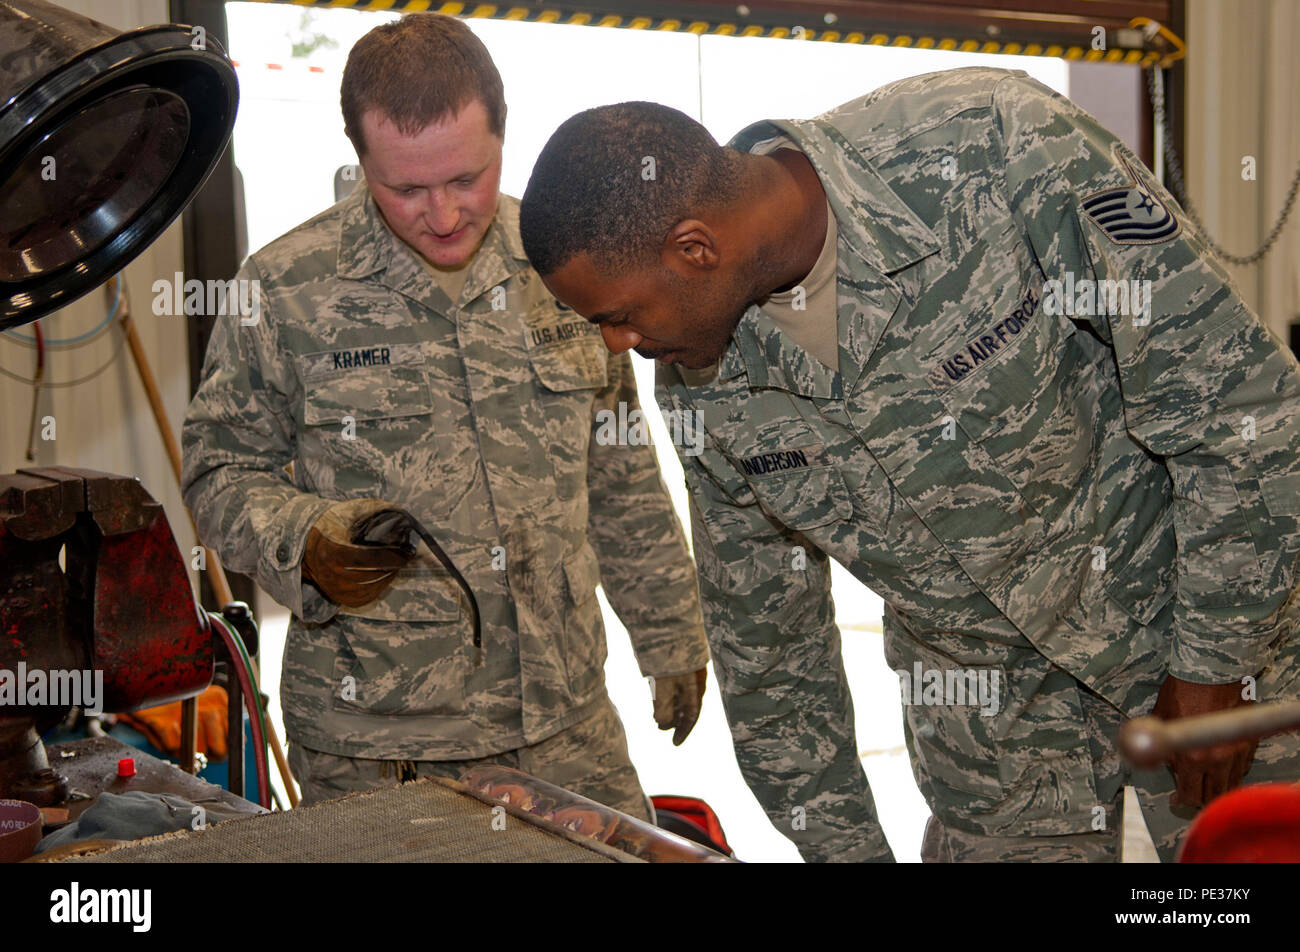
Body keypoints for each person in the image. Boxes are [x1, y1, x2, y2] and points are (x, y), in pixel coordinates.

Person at [517, 66, 1300, 861]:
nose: (616, 344)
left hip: (1211, 639)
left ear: (693, 247)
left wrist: (1218, 664)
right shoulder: (699, 387)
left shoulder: (997, 145)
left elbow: (1240, 407)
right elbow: (771, 649)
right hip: (994, 746)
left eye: (617, 317)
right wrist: (844, 851)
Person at [181, 13, 709, 818]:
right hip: (381, 742)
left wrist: (670, 631)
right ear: (361, 161)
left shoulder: (562, 268)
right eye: (407, 189)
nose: (444, 214)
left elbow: (620, 469)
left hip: (565, 718)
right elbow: (218, 471)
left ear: (502, 134)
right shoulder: (283, 292)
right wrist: (306, 539)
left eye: (467, 178)